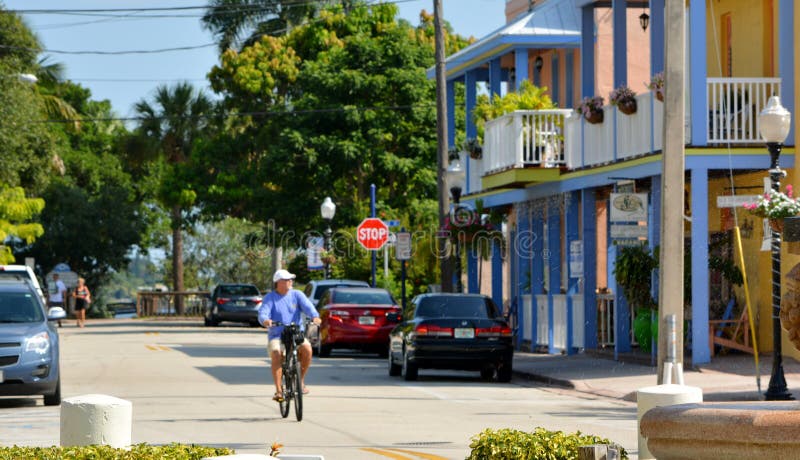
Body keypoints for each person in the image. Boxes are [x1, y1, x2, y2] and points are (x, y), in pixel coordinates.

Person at [258, 269, 321, 402]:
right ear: (278, 282)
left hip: (295, 333)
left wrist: (315, 316)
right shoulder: (270, 297)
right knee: (276, 353)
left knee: (307, 349)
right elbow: (263, 313)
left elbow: (308, 307)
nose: (290, 281)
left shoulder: (297, 294)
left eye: (290, 279)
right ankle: (279, 391)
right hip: (277, 336)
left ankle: (301, 381)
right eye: (287, 280)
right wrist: (266, 320)